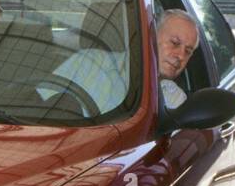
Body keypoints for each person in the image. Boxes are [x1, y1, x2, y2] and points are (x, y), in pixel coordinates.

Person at [44, 8, 200, 115]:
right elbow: (39, 103)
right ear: (150, 35)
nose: (180, 55)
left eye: (188, 51)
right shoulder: (88, 61)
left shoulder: (175, 99)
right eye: (174, 42)